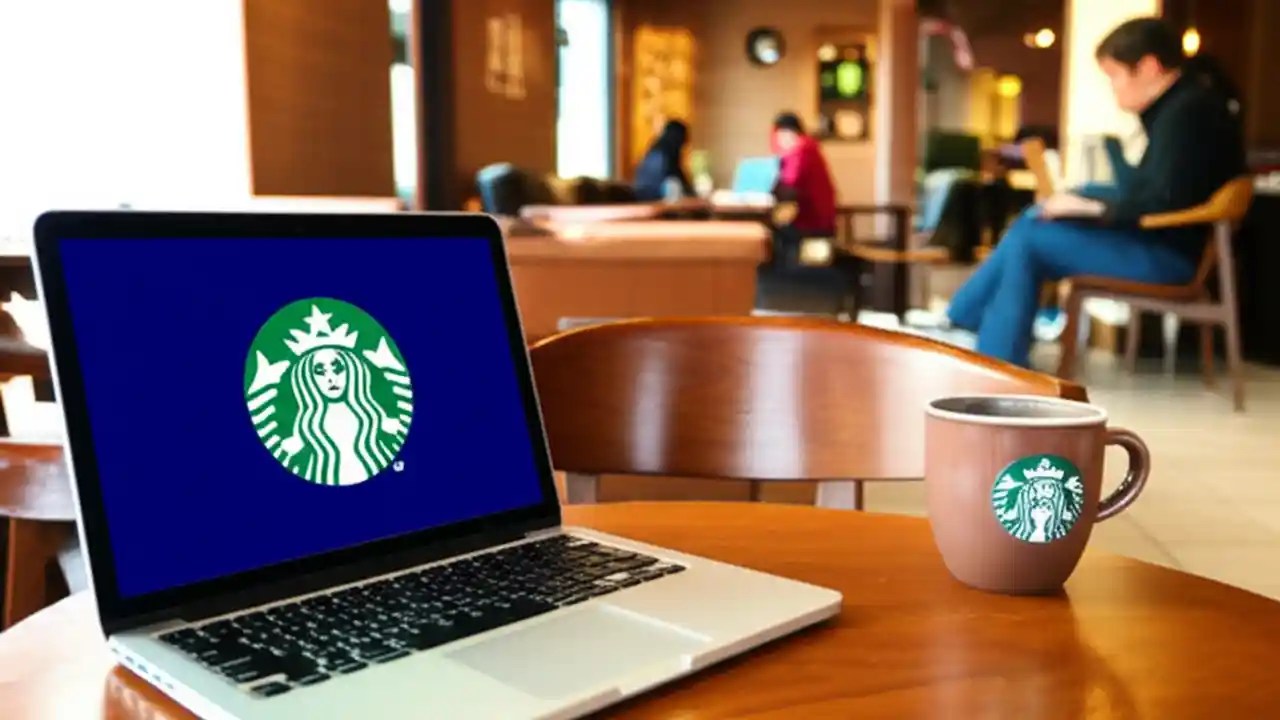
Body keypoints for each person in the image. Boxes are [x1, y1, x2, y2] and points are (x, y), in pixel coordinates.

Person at [945, 17, 1245, 368]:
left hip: (1168, 258)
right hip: (1158, 244)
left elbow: (1163, 201)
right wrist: (1087, 196)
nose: (1113, 88)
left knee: (1031, 238)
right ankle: (975, 333)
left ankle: (982, 342)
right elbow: (1155, 189)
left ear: (1148, 67)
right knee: (1036, 219)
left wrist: (1090, 207)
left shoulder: (1188, 113)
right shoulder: (1184, 107)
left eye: (1115, 75)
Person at [772, 112, 837, 245]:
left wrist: (769, 190)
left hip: (812, 222)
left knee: (773, 238)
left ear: (787, 133)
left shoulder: (800, 150)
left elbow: (789, 185)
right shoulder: (810, 147)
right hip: (820, 218)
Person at [633, 119, 694, 201]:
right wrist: (693, 194)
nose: (684, 144)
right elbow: (677, 177)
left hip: (643, 198)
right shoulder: (665, 154)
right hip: (655, 200)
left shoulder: (654, 150)